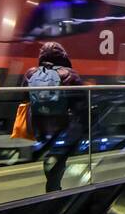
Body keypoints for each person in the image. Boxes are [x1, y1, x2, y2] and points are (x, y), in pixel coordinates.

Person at [22, 41, 83, 190]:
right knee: (60, 157)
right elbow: (81, 102)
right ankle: (54, 189)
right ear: (63, 56)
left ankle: (52, 185)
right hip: (62, 125)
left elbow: (24, 97)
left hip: (39, 125)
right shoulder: (70, 75)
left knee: (50, 155)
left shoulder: (31, 73)